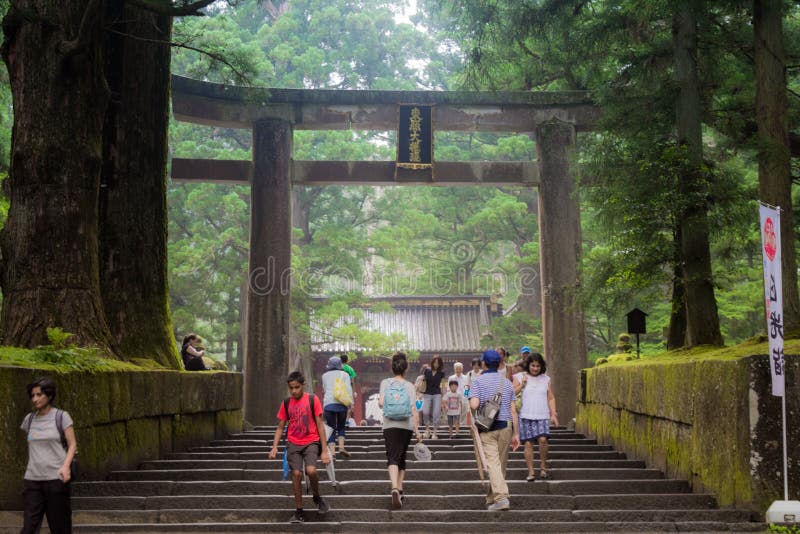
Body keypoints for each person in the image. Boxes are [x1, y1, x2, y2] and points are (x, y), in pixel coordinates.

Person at [269, 371, 331, 523]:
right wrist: (274, 446)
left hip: (311, 441)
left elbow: (320, 426)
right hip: (293, 443)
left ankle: (316, 496)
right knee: (296, 474)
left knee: (311, 470)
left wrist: (324, 450)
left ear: (303, 385)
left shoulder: (312, 399)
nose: (294, 391)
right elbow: (280, 426)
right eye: (291, 388)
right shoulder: (286, 403)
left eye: (297, 387)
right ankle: (299, 511)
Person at [20, 377, 77, 534]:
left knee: (60, 527)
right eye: (32, 395)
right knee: (28, 528)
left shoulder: (61, 417)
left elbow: (72, 444)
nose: (35, 399)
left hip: (56, 480)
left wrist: (66, 467)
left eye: (39, 394)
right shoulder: (29, 420)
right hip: (32, 480)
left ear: (49, 395)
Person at [469, 350, 520, 511]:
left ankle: (502, 499)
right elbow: (513, 410)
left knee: (493, 463)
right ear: (499, 364)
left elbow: (474, 405)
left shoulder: (478, 381)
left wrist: (471, 397)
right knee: (500, 465)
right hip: (506, 426)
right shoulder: (507, 382)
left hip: (488, 427)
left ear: (484, 364)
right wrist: (517, 433)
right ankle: (492, 498)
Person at [379, 352, 422, 509]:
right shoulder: (410, 386)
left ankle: (394, 488)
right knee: (402, 456)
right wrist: (417, 431)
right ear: (406, 368)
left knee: (392, 456)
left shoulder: (385, 383)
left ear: (392, 368)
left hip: (390, 424)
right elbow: (413, 410)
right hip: (406, 425)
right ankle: (400, 488)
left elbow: (381, 403)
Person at [515, 353, 559, 481]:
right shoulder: (519, 377)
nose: (535, 368)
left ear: (541, 366)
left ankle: (543, 467)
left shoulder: (546, 379)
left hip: (542, 414)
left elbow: (550, 397)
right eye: (533, 365)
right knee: (528, 443)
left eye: (538, 366)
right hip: (525, 414)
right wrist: (522, 385)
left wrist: (553, 413)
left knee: (543, 440)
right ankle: (531, 472)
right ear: (528, 365)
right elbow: (512, 393)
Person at [321, 356, 354, 458]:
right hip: (341, 403)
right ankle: (341, 447)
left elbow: (325, 389)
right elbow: (348, 389)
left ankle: (332, 453)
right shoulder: (344, 374)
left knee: (331, 427)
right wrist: (351, 403)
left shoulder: (324, 376)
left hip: (328, 403)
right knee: (341, 426)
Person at [421, 355, 445, 439]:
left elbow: (442, 385)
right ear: (432, 362)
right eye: (435, 363)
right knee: (425, 412)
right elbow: (422, 381)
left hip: (437, 394)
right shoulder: (427, 371)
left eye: (438, 363)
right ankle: (427, 430)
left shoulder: (442, 373)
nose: (436, 365)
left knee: (436, 413)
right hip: (427, 393)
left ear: (440, 364)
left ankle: (435, 432)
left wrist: (443, 397)